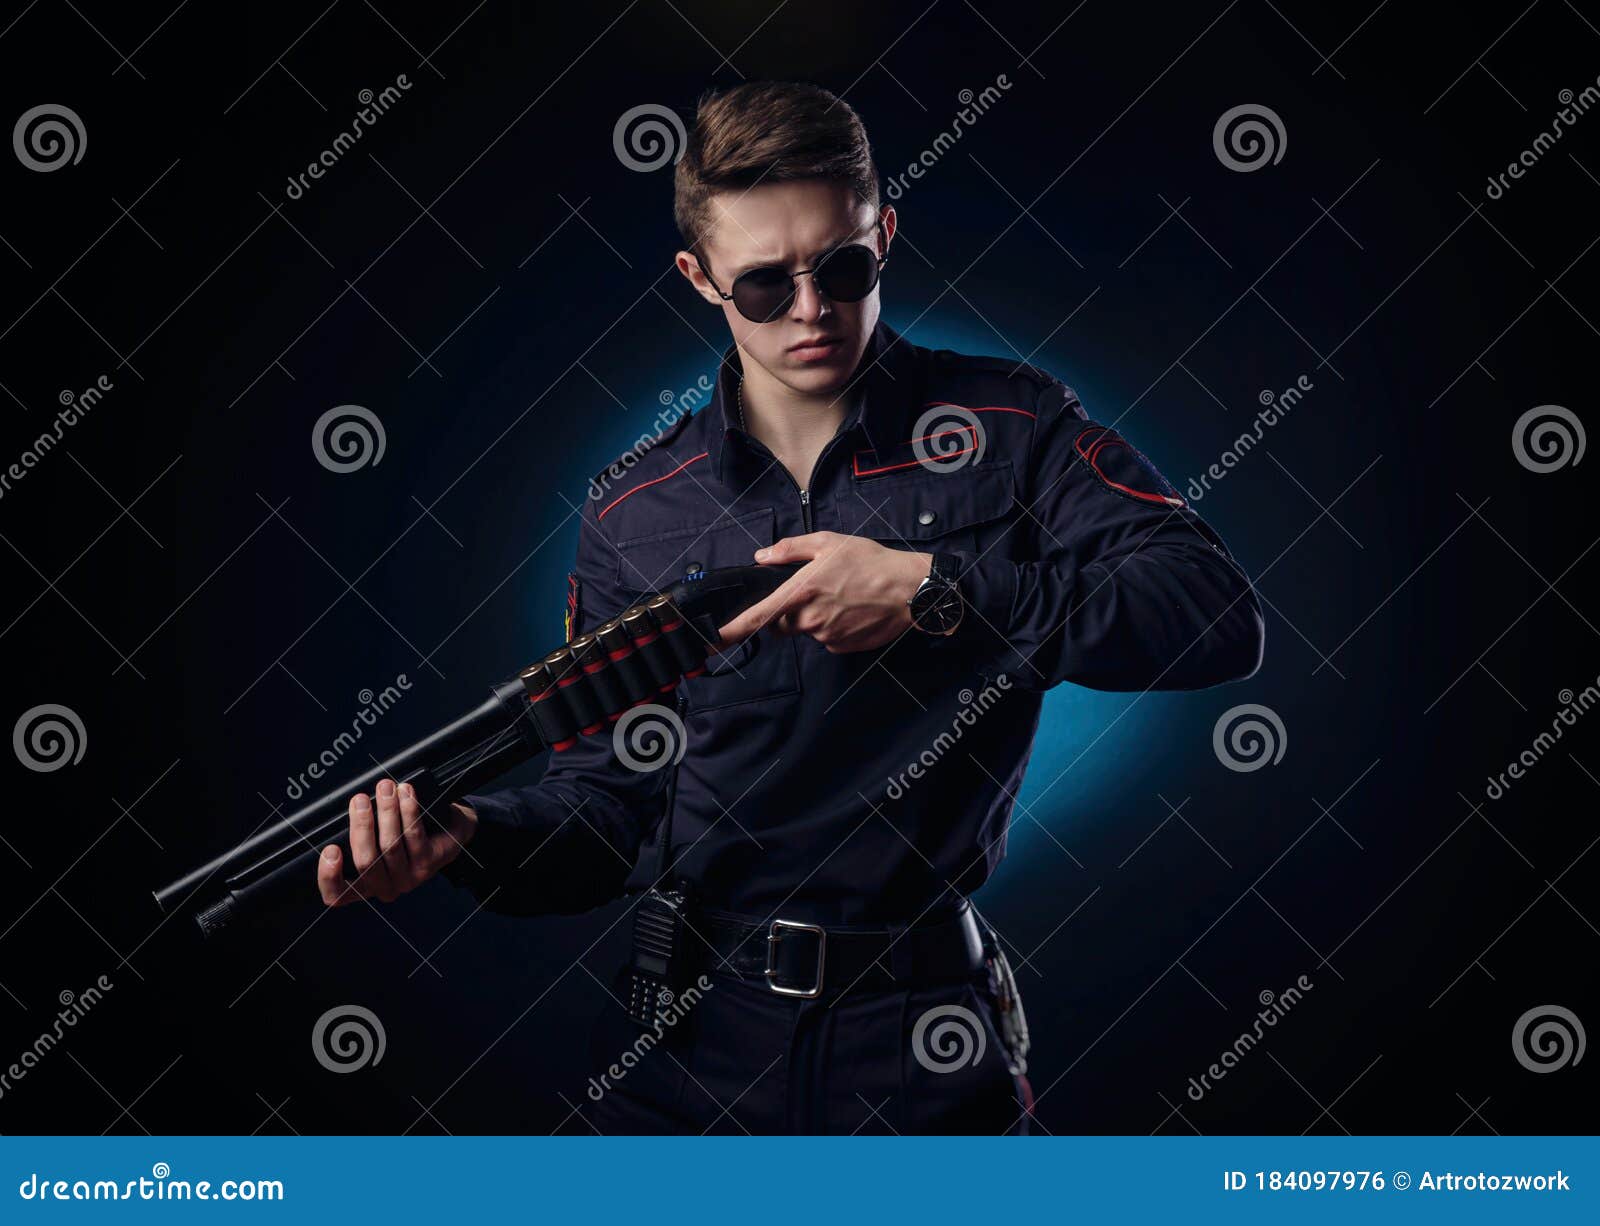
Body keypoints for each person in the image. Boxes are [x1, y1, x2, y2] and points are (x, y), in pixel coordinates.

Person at [314, 81, 1264, 1134]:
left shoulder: (1015, 424)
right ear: (700, 278)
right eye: (763, 284)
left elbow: (1211, 611)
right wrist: (470, 835)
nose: (811, 309)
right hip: (683, 1047)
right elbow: (610, 802)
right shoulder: (636, 508)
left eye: (842, 266)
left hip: (924, 1040)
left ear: (884, 233)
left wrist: (932, 593)